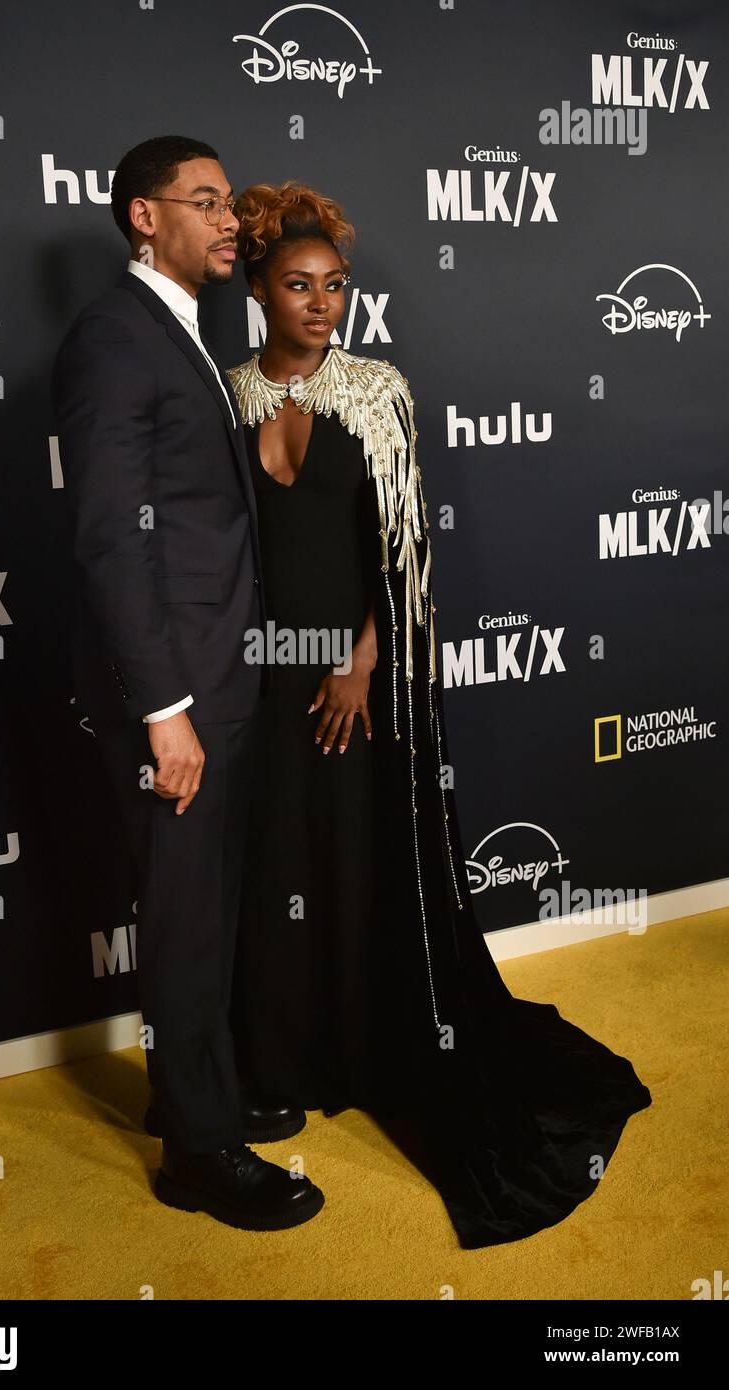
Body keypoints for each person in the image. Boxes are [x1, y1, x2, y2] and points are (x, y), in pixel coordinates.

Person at [225, 180, 653, 1248]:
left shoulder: (375, 390)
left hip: (361, 672)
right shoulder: (223, 393)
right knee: (279, 861)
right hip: (263, 678)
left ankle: (374, 1049)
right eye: (298, 286)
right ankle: (286, 1064)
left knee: (367, 858)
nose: (321, 305)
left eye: (335, 287)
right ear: (258, 288)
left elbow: (405, 550)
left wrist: (364, 661)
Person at [51, 139, 324, 1232]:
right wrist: (164, 711)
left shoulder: (183, 329)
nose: (229, 221)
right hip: (174, 699)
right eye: (202, 202)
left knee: (207, 913)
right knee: (181, 918)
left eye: (227, 201)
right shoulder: (114, 338)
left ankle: (200, 1095)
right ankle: (197, 1157)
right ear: (140, 217)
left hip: (223, 678)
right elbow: (113, 538)